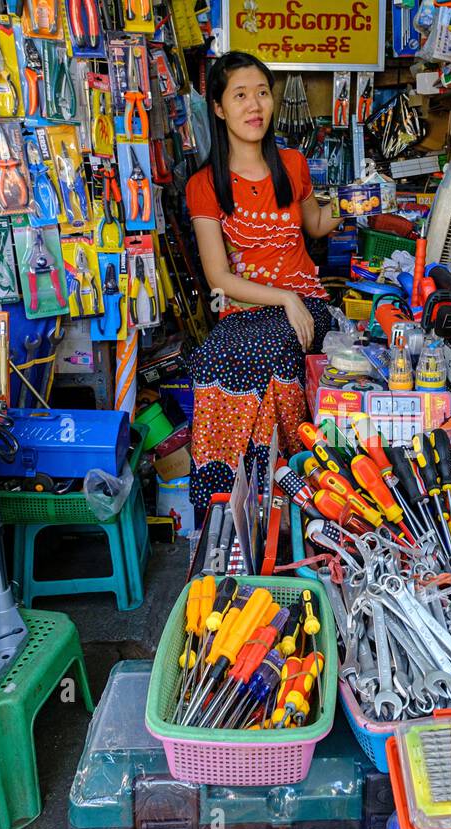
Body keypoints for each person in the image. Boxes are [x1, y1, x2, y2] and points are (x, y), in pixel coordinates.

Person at [185, 51, 337, 513]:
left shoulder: (292, 164)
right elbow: (219, 278)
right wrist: (282, 297)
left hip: (306, 302)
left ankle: (296, 491)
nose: (255, 106)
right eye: (240, 95)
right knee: (213, 356)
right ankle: (223, 501)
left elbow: (314, 226)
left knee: (271, 346)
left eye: (263, 93)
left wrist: (355, 205)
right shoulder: (205, 184)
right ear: (218, 107)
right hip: (247, 307)